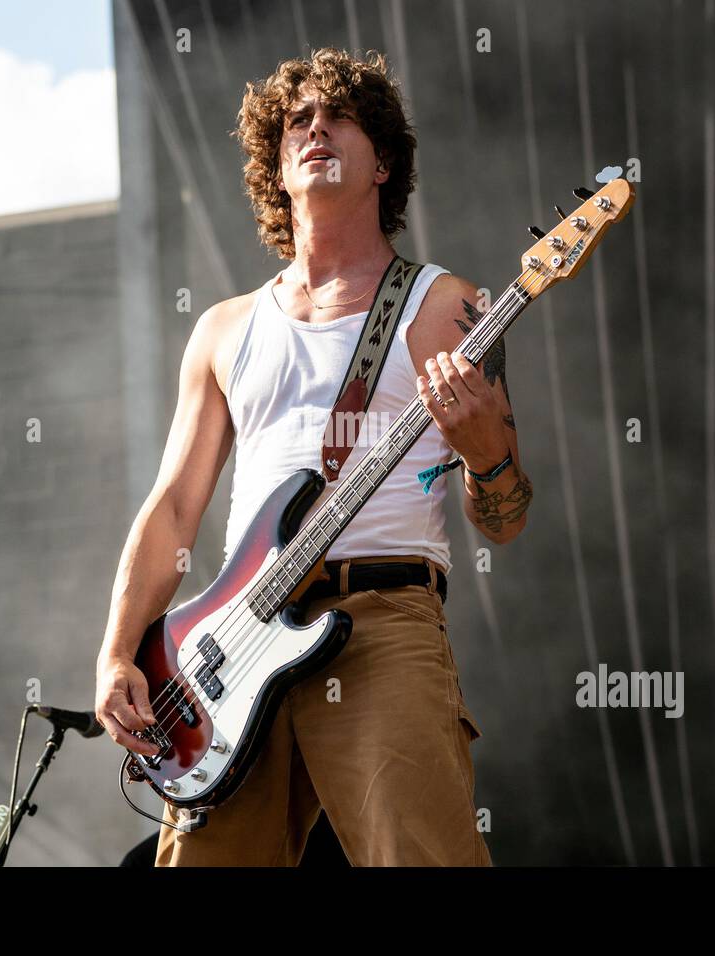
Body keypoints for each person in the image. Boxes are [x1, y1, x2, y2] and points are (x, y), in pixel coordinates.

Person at [94, 47, 531, 866]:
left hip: (382, 620)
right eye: (299, 121)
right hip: (229, 648)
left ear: (384, 163)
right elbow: (174, 509)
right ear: (277, 165)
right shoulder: (224, 328)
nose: (317, 129)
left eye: (340, 117)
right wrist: (118, 649)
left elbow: (506, 517)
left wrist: (486, 460)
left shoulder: (445, 307)